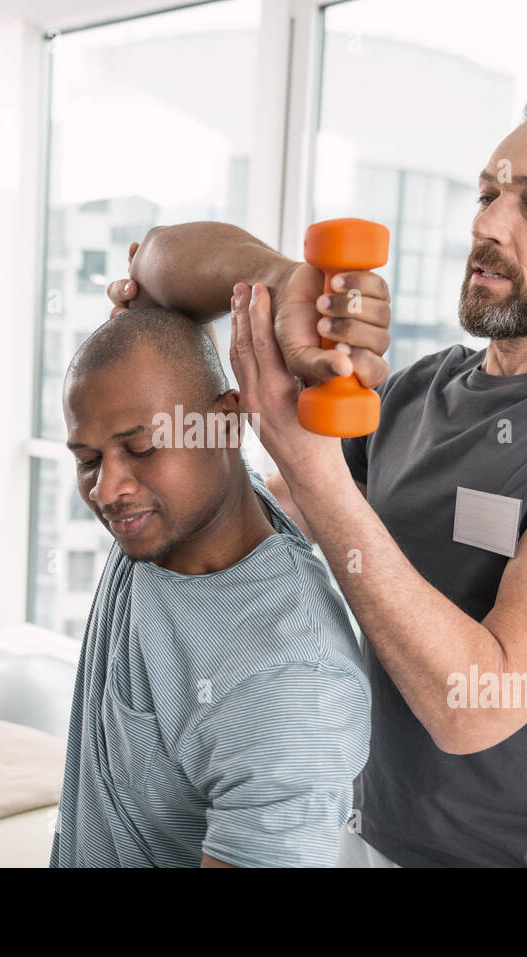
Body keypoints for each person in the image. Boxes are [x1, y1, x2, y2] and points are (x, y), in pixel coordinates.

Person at [109, 86, 527, 867]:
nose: (488, 223)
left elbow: (479, 704)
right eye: (488, 193)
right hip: (361, 832)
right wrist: (279, 285)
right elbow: (275, 526)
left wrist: (314, 467)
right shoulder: (417, 390)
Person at [48, 306, 372, 868]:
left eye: (141, 449)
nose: (108, 489)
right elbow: (164, 262)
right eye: (87, 460)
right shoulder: (168, 520)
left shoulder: (290, 692)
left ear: (224, 423)